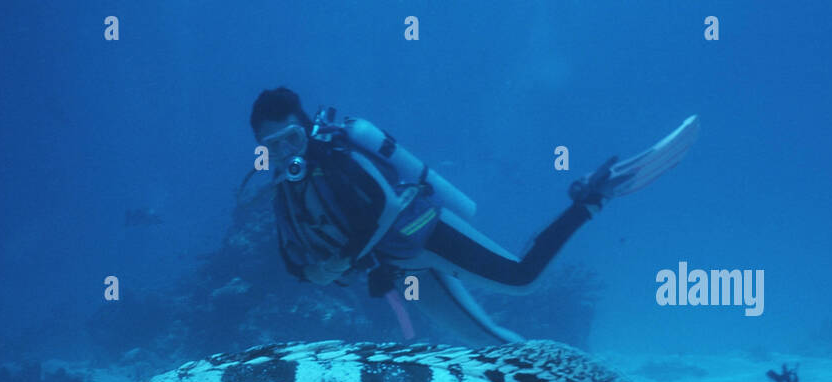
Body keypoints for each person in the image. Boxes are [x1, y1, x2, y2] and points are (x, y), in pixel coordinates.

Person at [249, 87, 698, 344]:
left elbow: (385, 205)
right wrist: (313, 273)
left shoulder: (338, 154)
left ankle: (590, 197)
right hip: (400, 264)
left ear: (305, 128)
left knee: (521, 278)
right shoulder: (284, 192)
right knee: (486, 341)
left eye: (290, 137)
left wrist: (342, 261)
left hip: (425, 231)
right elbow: (290, 253)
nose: (284, 151)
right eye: (271, 146)